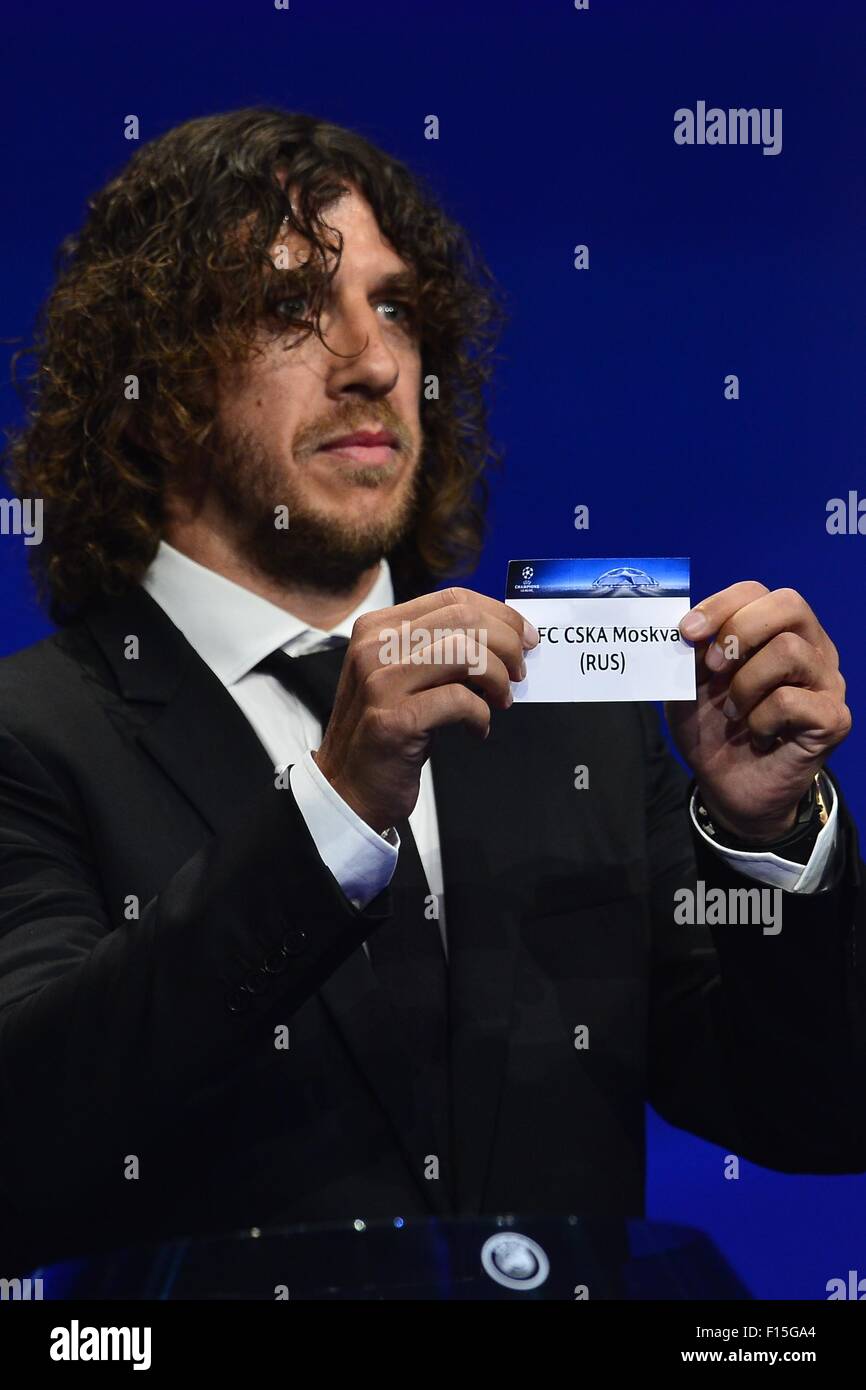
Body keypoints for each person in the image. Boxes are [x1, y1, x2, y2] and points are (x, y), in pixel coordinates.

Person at [0, 108, 863, 1273]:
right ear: (151, 391)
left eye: (395, 306)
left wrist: (768, 839)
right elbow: (30, 1143)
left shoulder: (569, 723)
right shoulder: (32, 740)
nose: (372, 361)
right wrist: (333, 815)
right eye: (290, 307)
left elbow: (814, 1113)